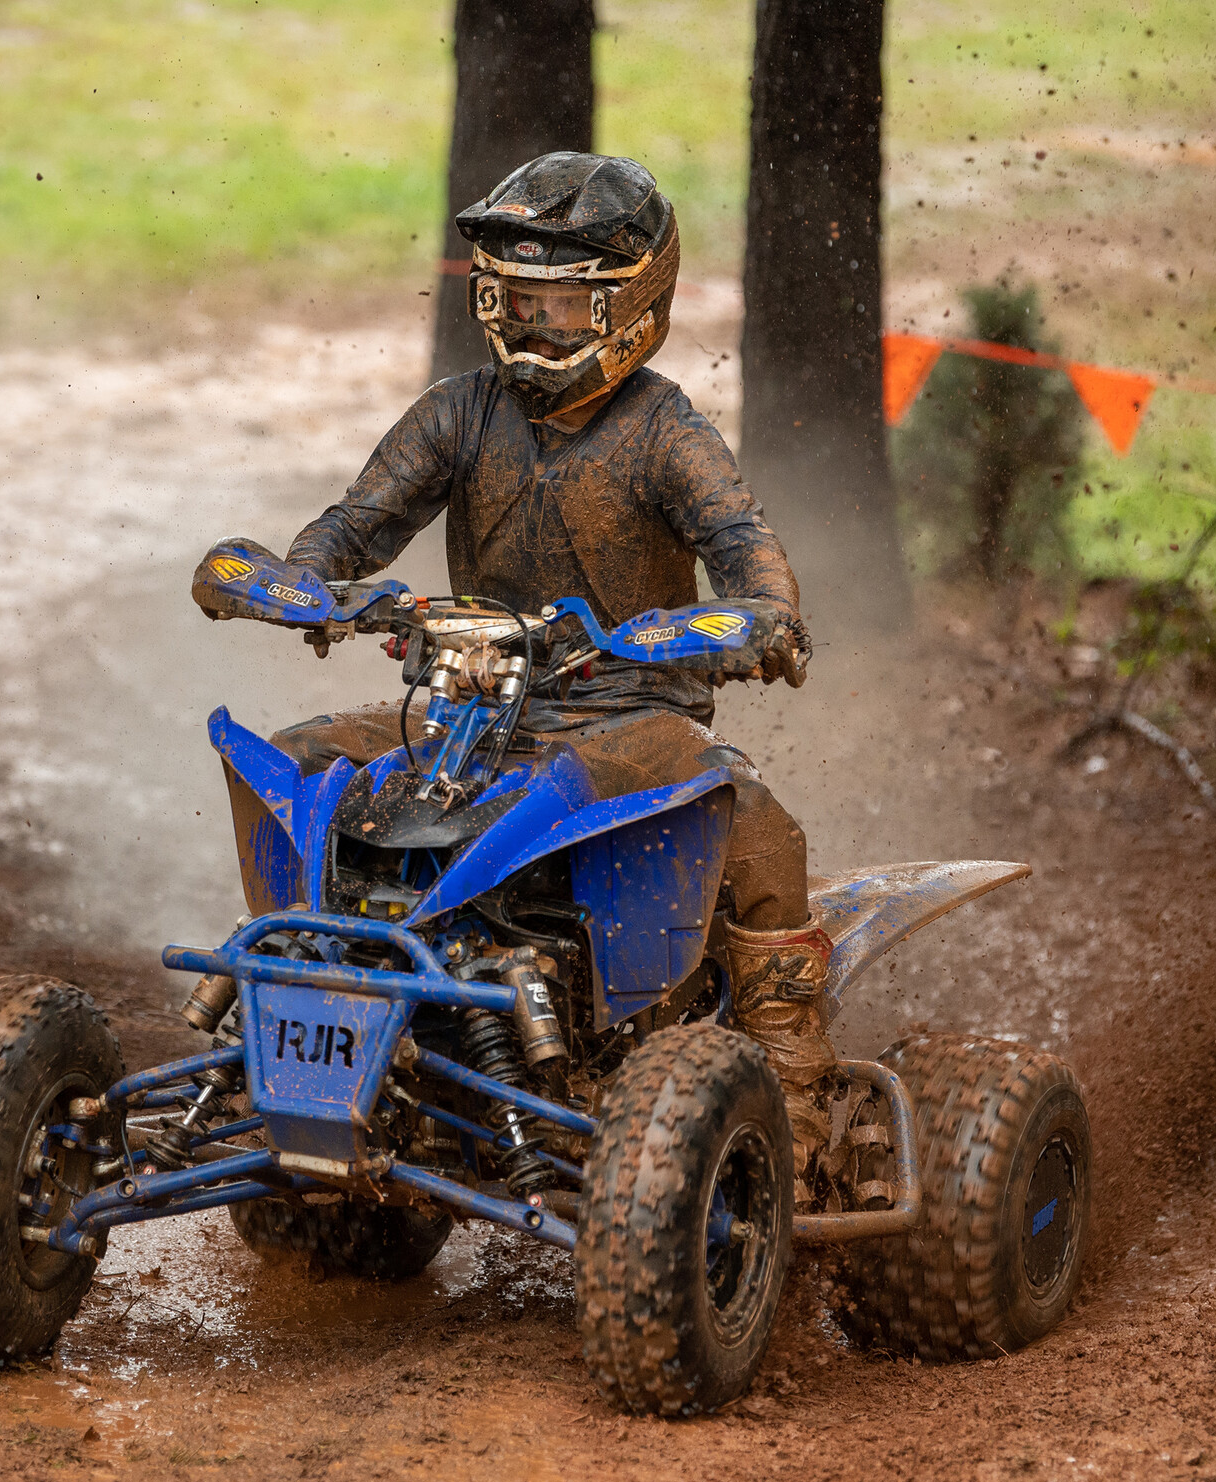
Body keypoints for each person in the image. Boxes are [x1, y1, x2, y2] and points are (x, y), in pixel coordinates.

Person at [194, 151, 838, 1159]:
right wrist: (306, 580)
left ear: (633, 306)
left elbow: (747, 548)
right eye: (519, 299)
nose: (537, 325)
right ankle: (307, 1006)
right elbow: (356, 523)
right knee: (301, 759)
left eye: (566, 307)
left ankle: (791, 1084)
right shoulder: (461, 410)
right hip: (468, 710)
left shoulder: (666, 432)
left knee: (755, 824)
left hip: (631, 720)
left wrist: (763, 617)